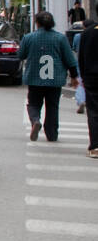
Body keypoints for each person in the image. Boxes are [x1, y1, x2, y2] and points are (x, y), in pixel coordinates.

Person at [19, 11, 79, 143]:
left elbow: (21, 55)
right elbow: (70, 60)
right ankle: (51, 134)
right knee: (52, 106)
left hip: (34, 78)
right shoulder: (60, 38)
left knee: (33, 104)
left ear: (37, 23)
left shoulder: (29, 37)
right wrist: (74, 77)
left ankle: (35, 120)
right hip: (55, 79)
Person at [77, 12, 98, 157]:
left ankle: (95, 147)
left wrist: (83, 77)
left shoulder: (87, 33)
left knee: (94, 111)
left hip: (92, 77)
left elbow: (81, 57)